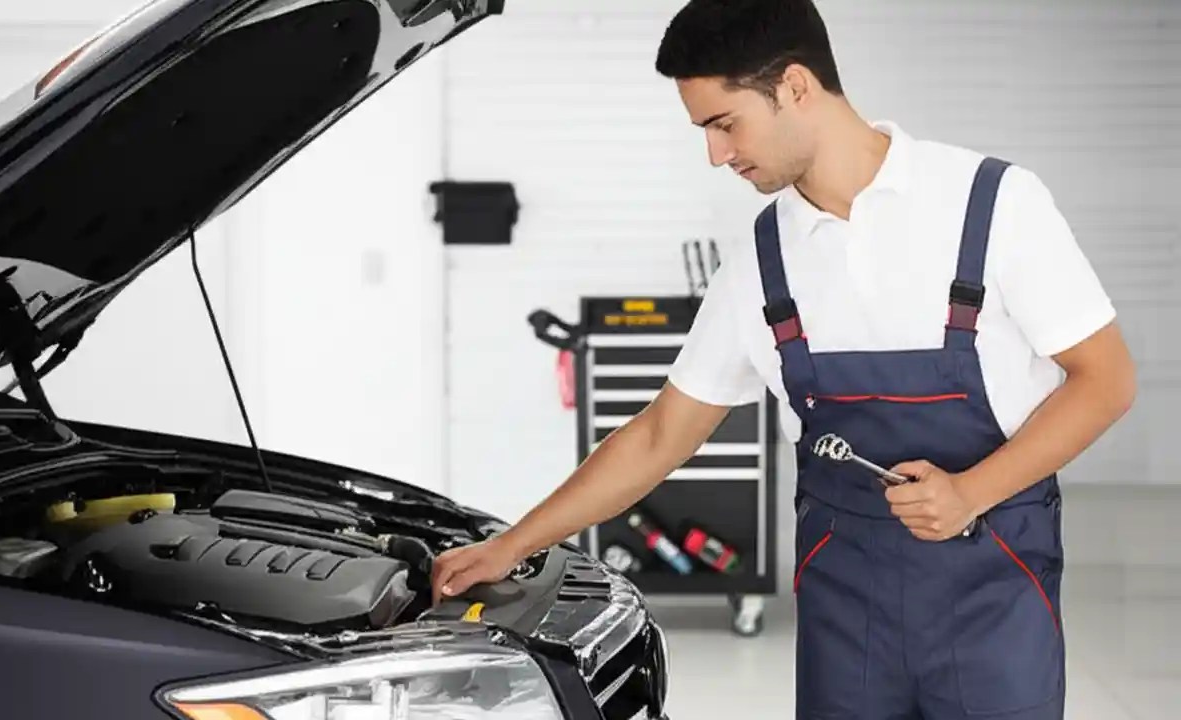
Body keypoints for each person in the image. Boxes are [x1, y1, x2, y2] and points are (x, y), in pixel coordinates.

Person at [431, 0, 1136, 717]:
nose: (717, 154)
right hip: (847, 616)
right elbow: (660, 434)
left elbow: (1106, 381)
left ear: (795, 86)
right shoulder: (760, 262)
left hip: (994, 597)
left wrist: (972, 491)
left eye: (725, 123)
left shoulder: (992, 206)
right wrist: (510, 546)